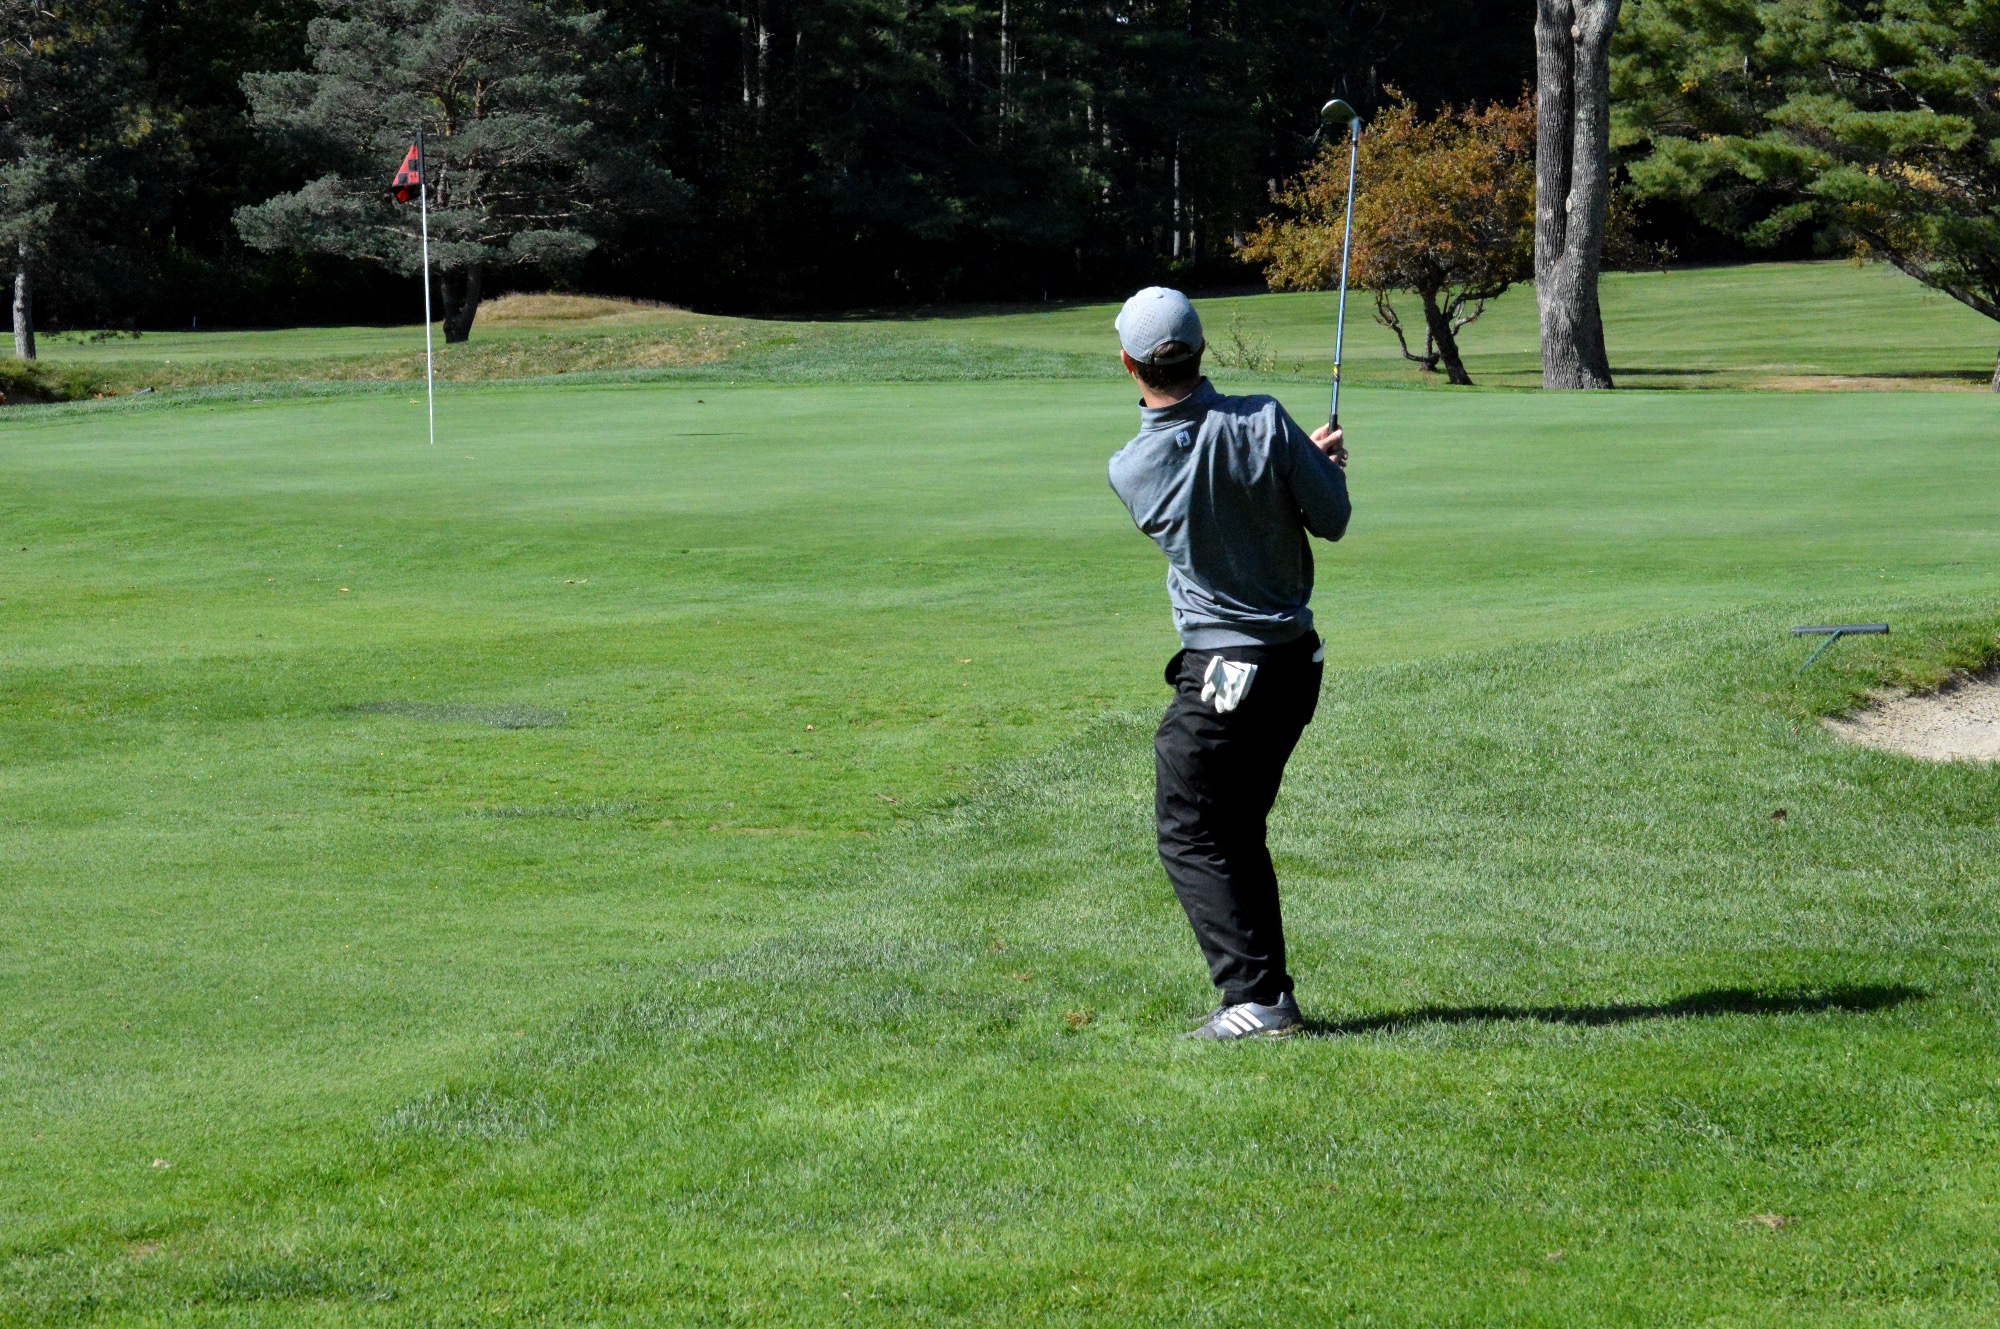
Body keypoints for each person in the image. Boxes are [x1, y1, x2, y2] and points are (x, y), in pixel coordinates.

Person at [1106, 286, 1351, 1040]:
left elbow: (1202, 476)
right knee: (1233, 827)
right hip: (1292, 666)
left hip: (1227, 669)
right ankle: (1266, 995)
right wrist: (1314, 465)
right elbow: (1332, 519)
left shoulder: (1131, 468)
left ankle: (1255, 997)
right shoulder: (1267, 421)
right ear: (1203, 350)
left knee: (1190, 826)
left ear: (1128, 363)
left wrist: (1288, 460)